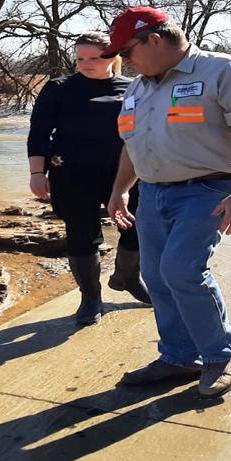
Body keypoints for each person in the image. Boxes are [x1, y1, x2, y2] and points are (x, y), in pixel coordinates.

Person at [102, 7, 231, 397]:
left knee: (182, 271)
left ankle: (220, 354)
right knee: (158, 277)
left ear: (155, 39)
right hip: (154, 193)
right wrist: (120, 190)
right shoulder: (138, 87)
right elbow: (132, 145)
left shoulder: (225, 70)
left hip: (206, 191)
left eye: (126, 51)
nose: (123, 61)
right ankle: (179, 357)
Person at [27, 32, 150, 325]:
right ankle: (91, 297)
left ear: (113, 57)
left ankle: (127, 276)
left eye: (94, 58)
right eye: (80, 58)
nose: (85, 64)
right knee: (82, 236)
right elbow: (39, 133)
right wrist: (36, 173)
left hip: (126, 172)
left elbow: (148, 131)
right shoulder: (58, 88)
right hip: (71, 172)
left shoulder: (135, 87)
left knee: (138, 227)